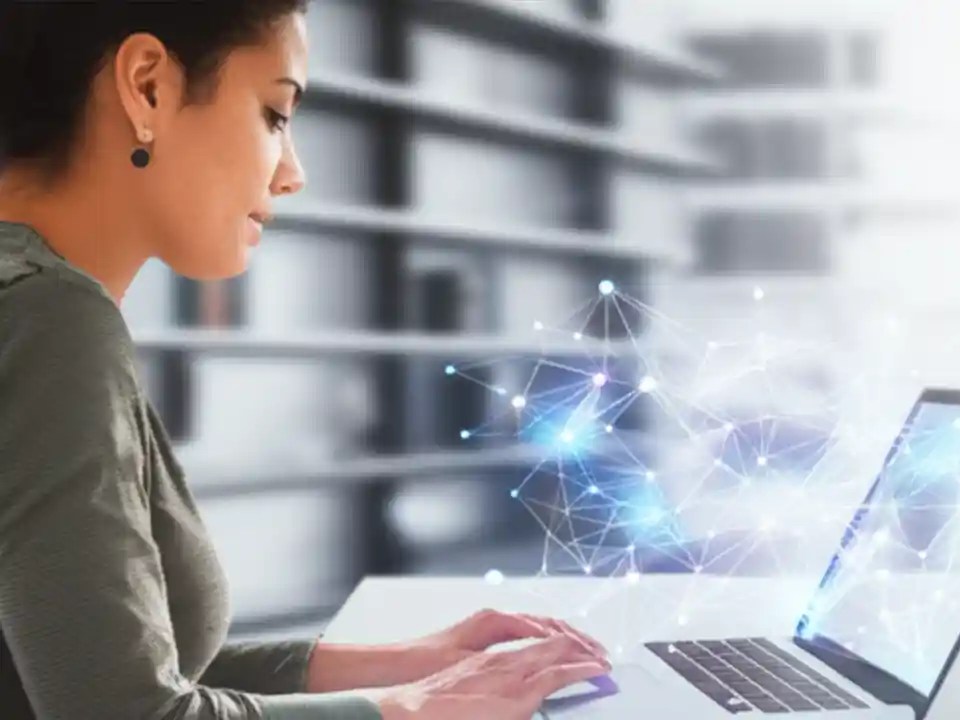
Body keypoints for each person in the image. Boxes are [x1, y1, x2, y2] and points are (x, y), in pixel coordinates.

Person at [0, 2, 611, 719]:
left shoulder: (34, 304)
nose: (292, 174)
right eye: (275, 114)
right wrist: (404, 711)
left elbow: (98, 665)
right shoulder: (50, 320)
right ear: (148, 86)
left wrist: (410, 665)